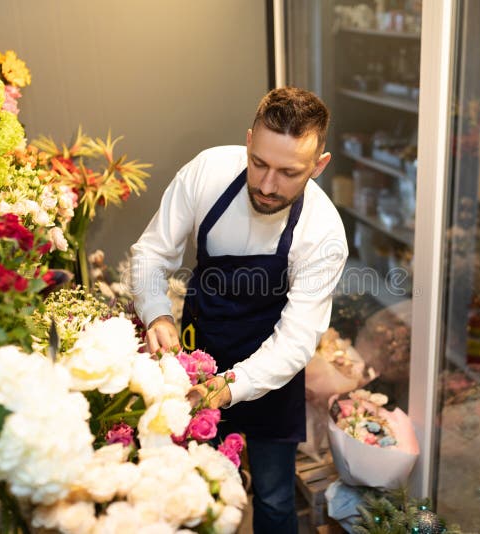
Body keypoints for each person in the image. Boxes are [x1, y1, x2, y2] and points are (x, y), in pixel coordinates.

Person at [130, 87, 348, 533]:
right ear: (249, 141)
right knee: (197, 489)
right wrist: (157, 313)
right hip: (200, 352)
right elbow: (152, 253)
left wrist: (230, 387)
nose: (267, 185)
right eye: (259, 163)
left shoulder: (324, 233)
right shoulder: (207, 172)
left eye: (288, 173)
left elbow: (296, 341)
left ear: (319, 166)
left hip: (273, 370)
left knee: (273, 496)